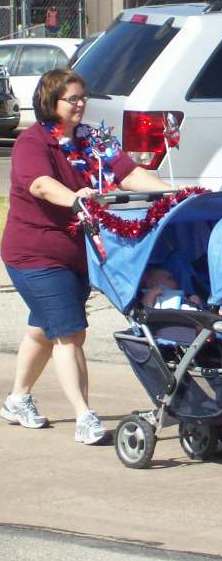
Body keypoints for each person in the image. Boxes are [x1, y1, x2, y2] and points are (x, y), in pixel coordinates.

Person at [0, 69, 173, 444]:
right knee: (70, 333)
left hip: (81, 253)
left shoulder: (94, 138)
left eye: (82, 97)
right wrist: (76, 197)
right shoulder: (33, 143)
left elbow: (129, 174)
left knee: (45, 327)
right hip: (34, 253)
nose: (80, 104)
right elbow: (41, 185)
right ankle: (85, 416)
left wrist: (174, 194)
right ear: (51, 102)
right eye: (72, 99)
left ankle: (16, 400)